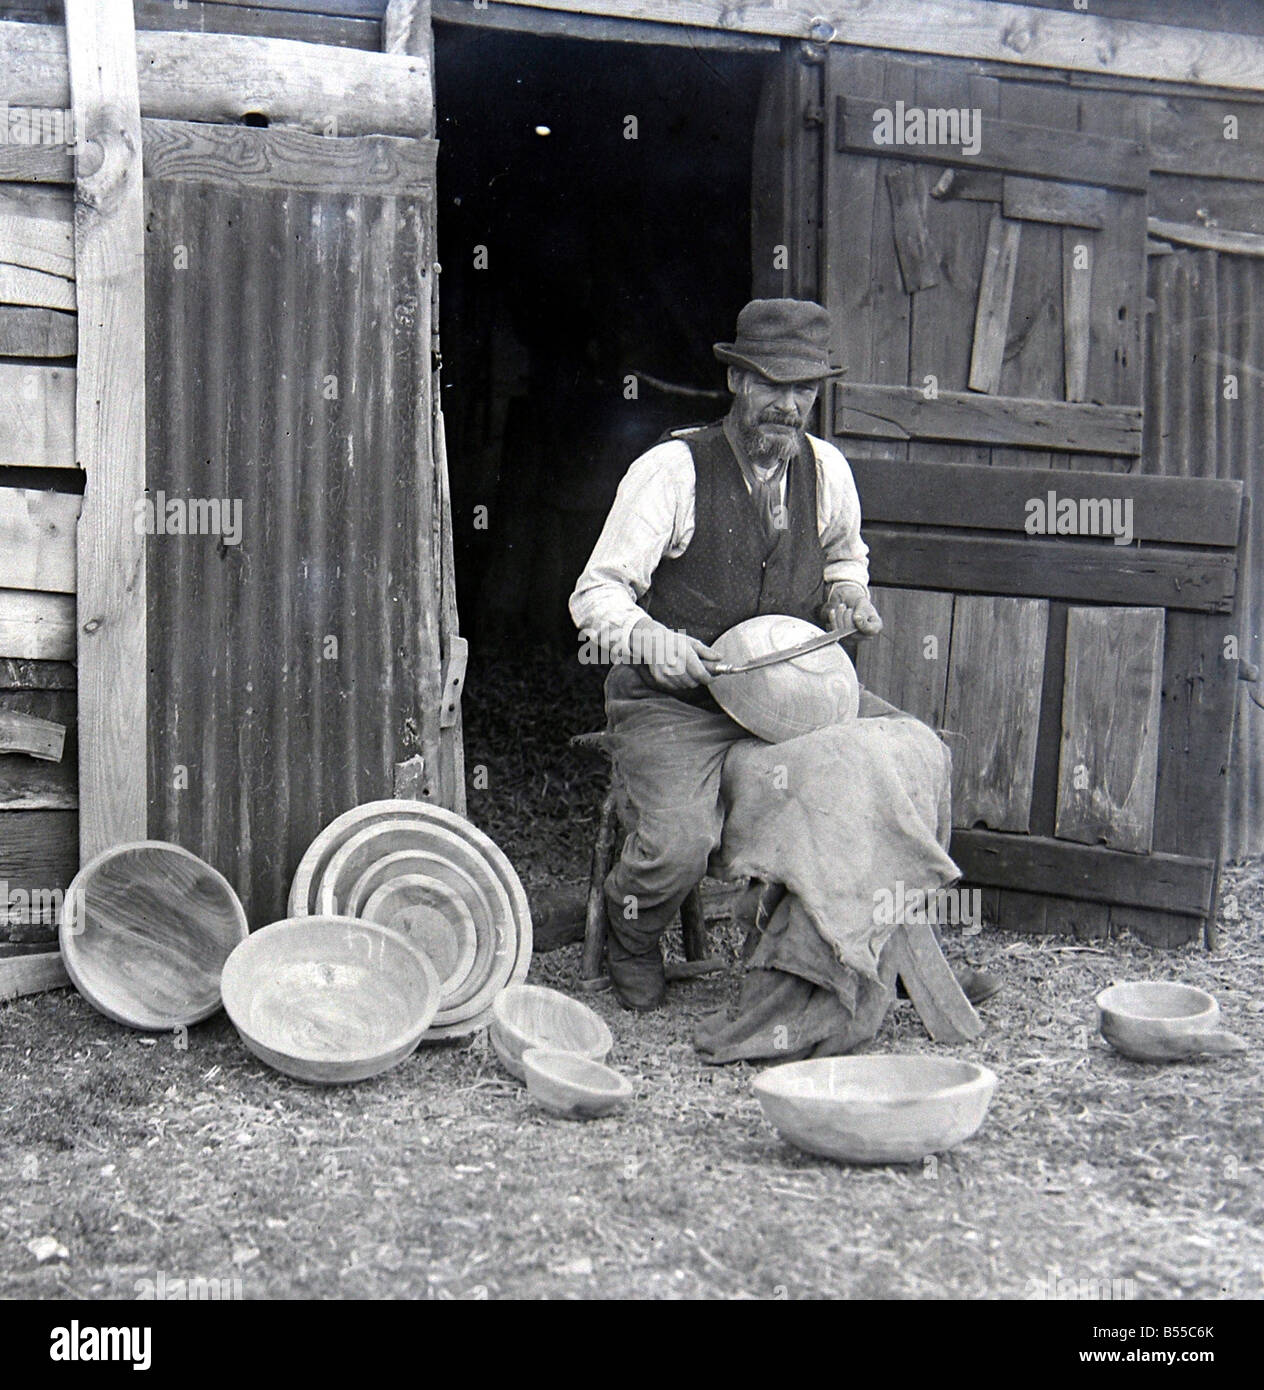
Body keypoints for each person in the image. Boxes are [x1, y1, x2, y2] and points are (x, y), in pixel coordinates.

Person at [570, 298, 995, 1011]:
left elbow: (844, 557)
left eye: (803, 389)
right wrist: (650, 640)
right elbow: (596, 593)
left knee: (906, 757)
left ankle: (885, 948)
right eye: (771, 383)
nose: (788, 404)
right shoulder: (672, 471)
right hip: (682, 701)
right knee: (676, 845)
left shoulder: (827, 471)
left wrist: (847, 597)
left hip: (796, 692)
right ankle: (632, 933)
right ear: (737, 381)